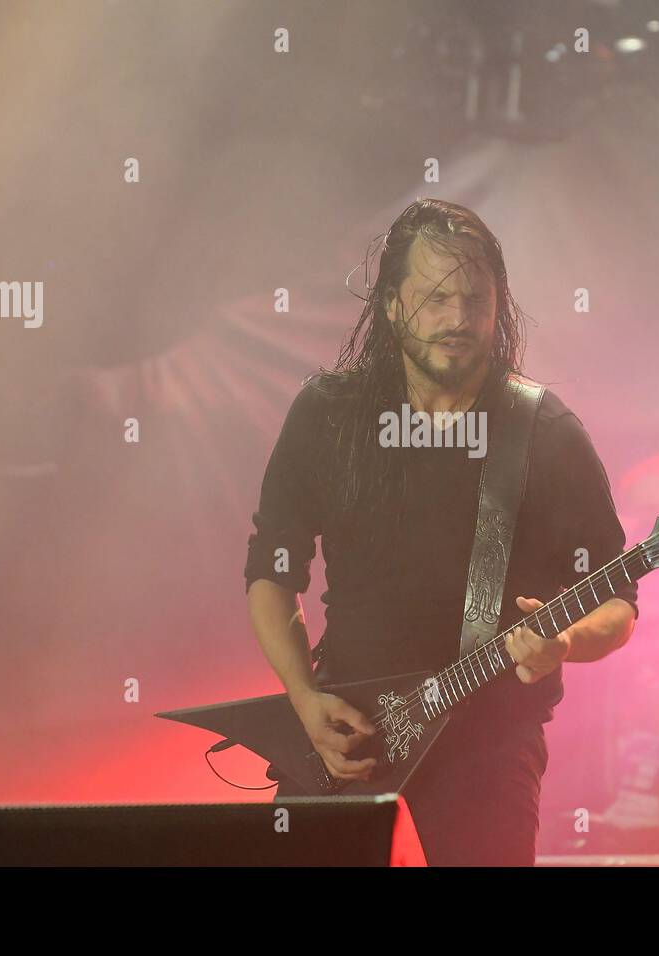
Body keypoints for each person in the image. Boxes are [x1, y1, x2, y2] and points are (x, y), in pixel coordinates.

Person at [244, 198, 637, 865]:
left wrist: (564, 641)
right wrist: (305, 700)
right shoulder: (328, 414)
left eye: (474, 299)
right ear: (392, 305)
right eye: (434, 299)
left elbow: (618, 601)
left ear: (497, 305)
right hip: (353, 735)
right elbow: (270, 573)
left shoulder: (543, 431)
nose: (457, 320)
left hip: (488, 747)